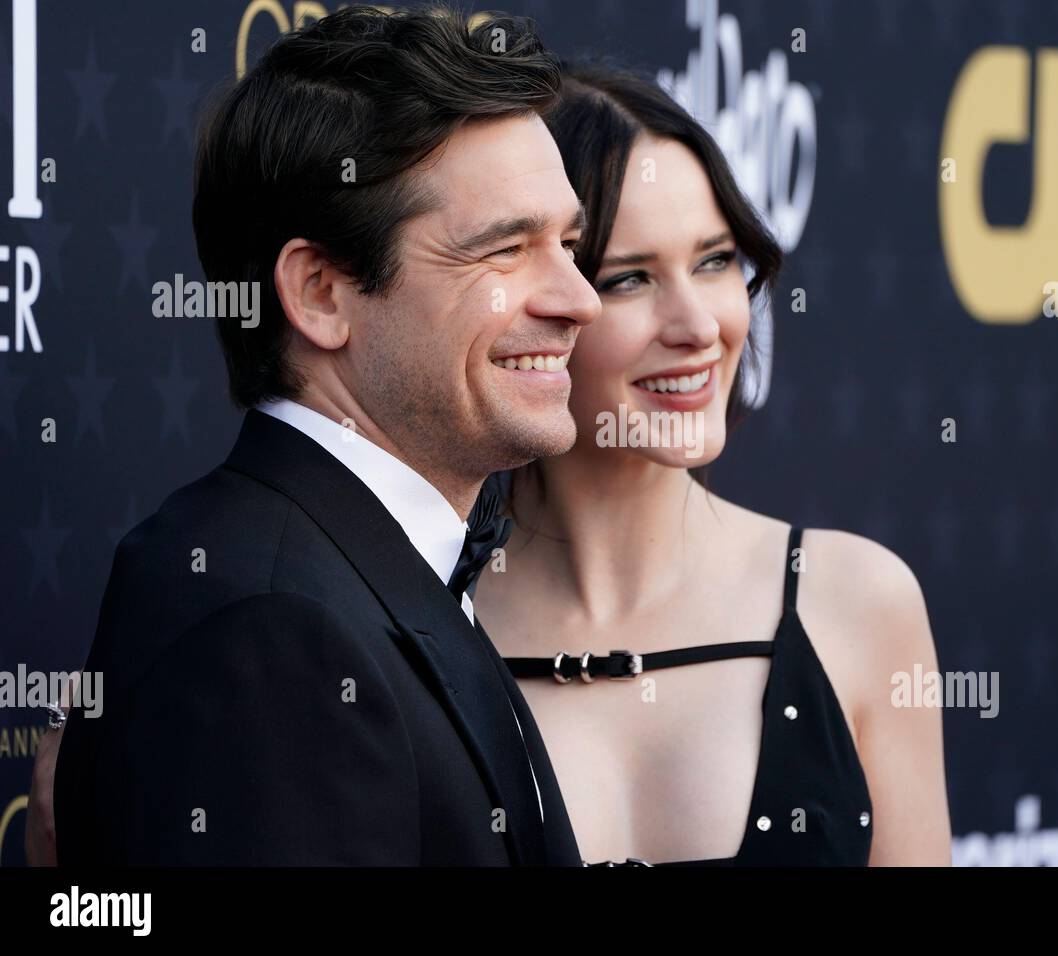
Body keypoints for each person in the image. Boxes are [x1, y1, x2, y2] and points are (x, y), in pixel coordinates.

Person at [49, 6, 600, 865]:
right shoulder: (268, 631)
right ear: (321, 294)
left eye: (568, 244)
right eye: (505, 251)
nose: (578, 300)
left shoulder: (352, 569)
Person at [472, 64, 953, 865]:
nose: (698, 325)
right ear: (536, 311)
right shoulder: (427, 625)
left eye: (715, 260)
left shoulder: (859, 606)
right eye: (630, 279)